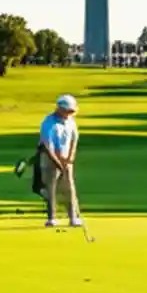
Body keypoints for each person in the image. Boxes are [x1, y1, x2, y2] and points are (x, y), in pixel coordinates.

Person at [39, 94, 81, 227]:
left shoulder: (71, 122)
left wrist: (70, 158)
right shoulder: (48, 123)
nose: (70, 113)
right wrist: (59, 163)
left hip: (67, 160)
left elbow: (74, 140)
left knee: (69, 188)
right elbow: (48, 146)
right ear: (60, 108)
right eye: (68, 111)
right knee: (51, 189)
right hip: (50, 160)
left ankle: (73, 217)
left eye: (72, 111)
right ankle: (51, 218)